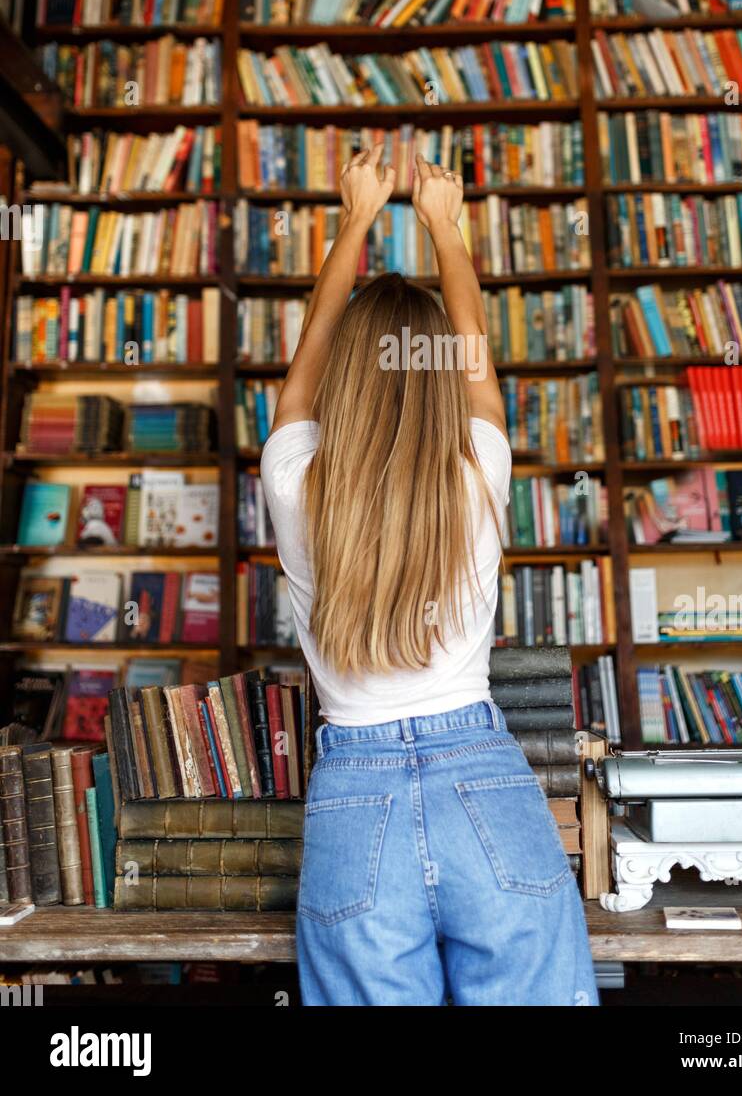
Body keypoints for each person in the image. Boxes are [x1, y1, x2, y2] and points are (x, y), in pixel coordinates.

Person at [260, 144, 598, 1008]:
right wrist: (444, 228)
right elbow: (477, 362)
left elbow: (301, 374)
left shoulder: (296, 480)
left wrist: (355, 223)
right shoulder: (477, 465)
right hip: (480, 773)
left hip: (350, 800)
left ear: (341, 382)